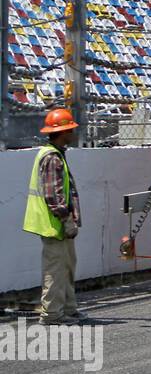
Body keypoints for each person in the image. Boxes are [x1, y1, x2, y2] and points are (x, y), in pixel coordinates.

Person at [22, 108, 83, 324]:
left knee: (66, 267)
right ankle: (52, 314)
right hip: (54, 224)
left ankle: (68, 308)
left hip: (57, 224)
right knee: (55, 270)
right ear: (63, 131)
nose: (73, 133)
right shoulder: (52, 158)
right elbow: (53, 195)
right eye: (70, 129)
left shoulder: (55, 154)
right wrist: (66, 220)